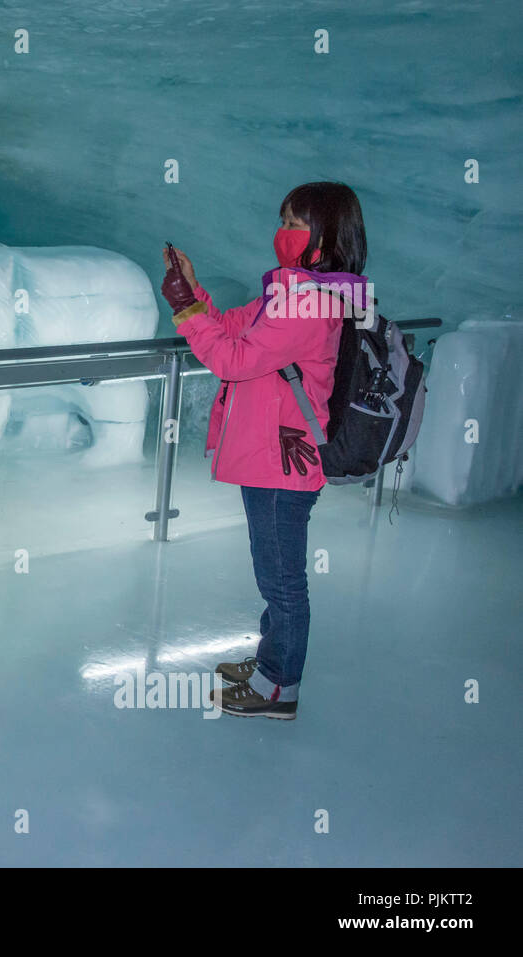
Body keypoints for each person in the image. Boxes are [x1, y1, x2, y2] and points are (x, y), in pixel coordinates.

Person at [164, 181, 370, 718]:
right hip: (272, 455)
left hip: (284, 465)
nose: (285, 232)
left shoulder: (309, 304)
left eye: (297, 223)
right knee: (273, 573)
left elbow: (233, 359)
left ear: (327, 237)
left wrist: (186, 311)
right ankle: (268, 663)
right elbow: (235, 326)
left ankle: (279, 686)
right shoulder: (294, 294)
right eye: (283, 219)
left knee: (282, 582)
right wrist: (195, 291)